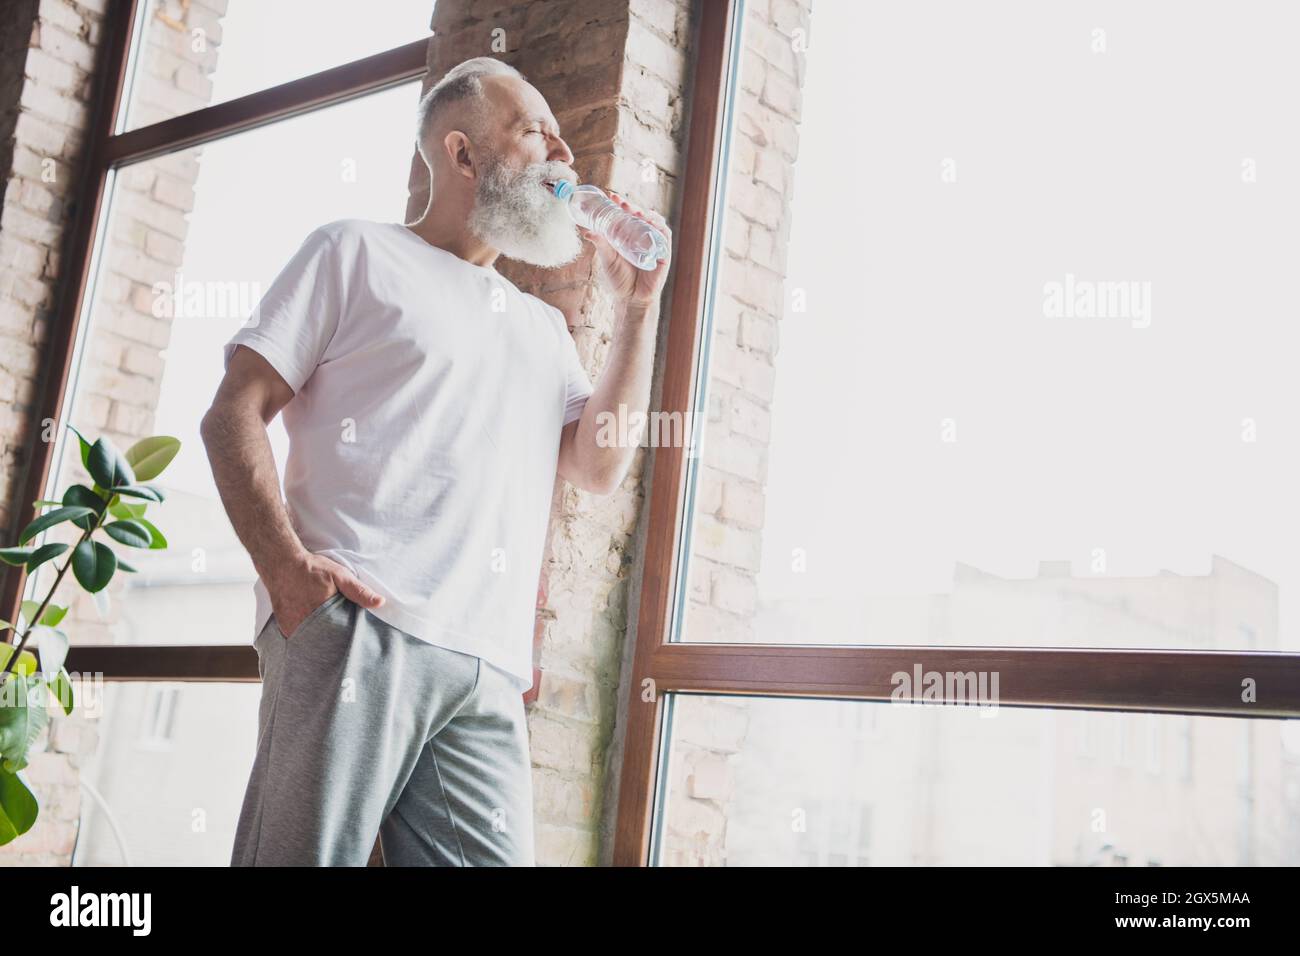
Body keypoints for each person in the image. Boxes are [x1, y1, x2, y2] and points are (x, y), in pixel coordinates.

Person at [201, 56, 671, 866]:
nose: (565, 155)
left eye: (563, 138)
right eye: (535, 133)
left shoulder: (540, 328)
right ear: (462, 156)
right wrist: (287, 574)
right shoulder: (354, 253)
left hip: (487, 668)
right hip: (356, 625)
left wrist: (636, 310)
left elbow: (597, 467)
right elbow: (231, 413)